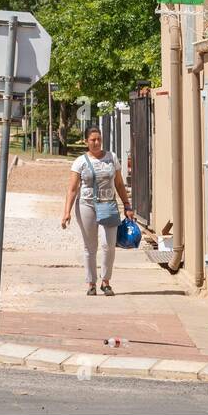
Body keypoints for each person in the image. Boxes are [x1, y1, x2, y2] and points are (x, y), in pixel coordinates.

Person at [60, 126, 134, 296]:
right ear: (86, 141)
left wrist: (127, 205)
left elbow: (119, 184)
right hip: (86, 205)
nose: (96, 142)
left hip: (108, 205)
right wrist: (67, 212)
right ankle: (91, 283)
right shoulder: (80, 162)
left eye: (99, 139)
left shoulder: (111, 158)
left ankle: (106, 281)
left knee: (108, 245)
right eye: (93, 139)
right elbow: (72, 189)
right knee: (90, 246)